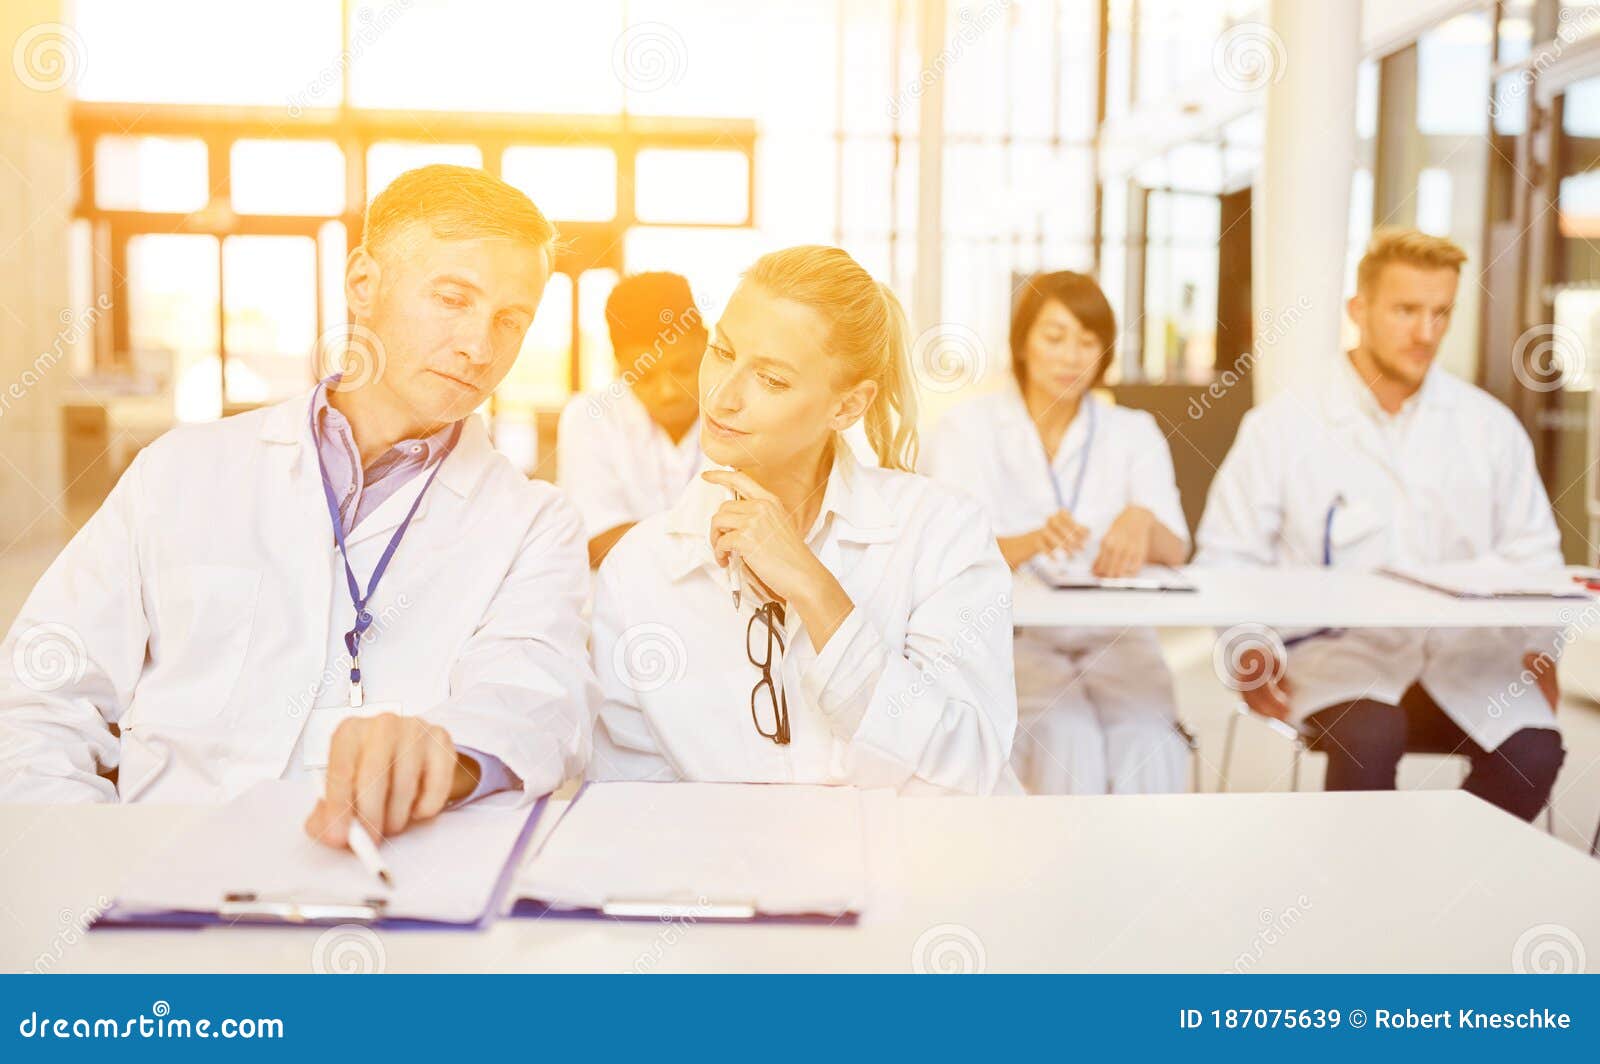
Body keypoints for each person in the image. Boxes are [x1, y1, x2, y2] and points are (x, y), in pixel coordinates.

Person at [0, 164, 598, 847]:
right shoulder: (182, 470)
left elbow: (537, 698)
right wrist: (87, 864)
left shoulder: (533, 523)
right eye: (453, 299)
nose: (480, 347)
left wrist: (448, 754)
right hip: (163, 886)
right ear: (363, 283)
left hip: (394, 888)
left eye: (511, 320)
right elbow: (41, 692)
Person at [588, 245, 1017, 793]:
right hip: (718, 877)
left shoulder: (941, 532)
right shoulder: (639, 567)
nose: (721, 395)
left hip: (901, 871)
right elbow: (631, 803)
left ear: (846, 407)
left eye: (771, 380)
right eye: (721, 351)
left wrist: (816, 591)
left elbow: (969, 767)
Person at [1196, 227, 1564, 821]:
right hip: (1339, 662)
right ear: (1358, 310)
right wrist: (1248, 650)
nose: (1426, 333)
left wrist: (1540, 652)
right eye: (1406, 311)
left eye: (1441, 313)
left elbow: (1537, 557)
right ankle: (1359, 895)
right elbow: (1225, 557)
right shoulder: (1284, 427)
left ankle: (1449, 890)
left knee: (1536, 749)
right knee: (1369, 737)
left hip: (1466, 660)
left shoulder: (1487, 428)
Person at [922, 271, 1192, 795]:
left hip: (1116, 638)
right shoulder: (966, 430)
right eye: (1054, 337)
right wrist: (1029, 541)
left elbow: (1175, 547)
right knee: (1068, 738)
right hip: (1014, 639)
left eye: (1088, 341)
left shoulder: (1132, 431)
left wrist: (1141, 517)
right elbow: (944, 556)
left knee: (1148, 736)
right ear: (1022, 342)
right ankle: (1070, 876)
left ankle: (1152, 871)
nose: (1071, 356)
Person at [557, 272, 707, 567]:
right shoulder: (589, 417)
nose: (667, 392)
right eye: (644, 375)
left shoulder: (750, 412)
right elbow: (596, 542)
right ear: (619, 364)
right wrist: (711, 545)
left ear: (705, 343)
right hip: (623, 608)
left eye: (683, 369)